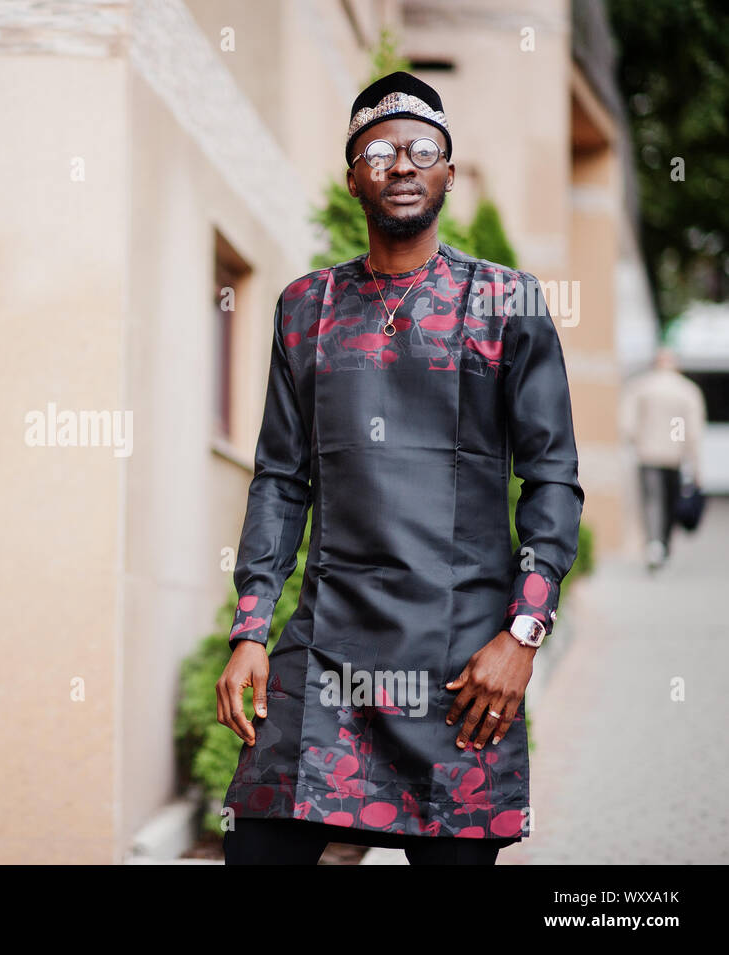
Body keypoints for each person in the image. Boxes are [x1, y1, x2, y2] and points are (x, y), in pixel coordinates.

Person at [215, 71, 585, 865]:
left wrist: (523, 633)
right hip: (324, 655)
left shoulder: (505, 302)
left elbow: (552, 476)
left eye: (424, 148)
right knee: (254, 850)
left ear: (449, 170)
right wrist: (251, 627)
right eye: (378, 151)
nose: (403, 164)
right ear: (354, 177)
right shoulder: (304, 307)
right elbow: (282, 477)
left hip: (463, 670)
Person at [618, 347, 706, 570]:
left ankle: (654, 543)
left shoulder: (641, 386)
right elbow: (694, 431)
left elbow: (627, 423)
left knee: (652, 499)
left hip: (647, 453)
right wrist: (695, 464)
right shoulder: (687, 390)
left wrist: (635, 440)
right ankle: (663, 544)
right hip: (675, 456)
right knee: (670, 501)